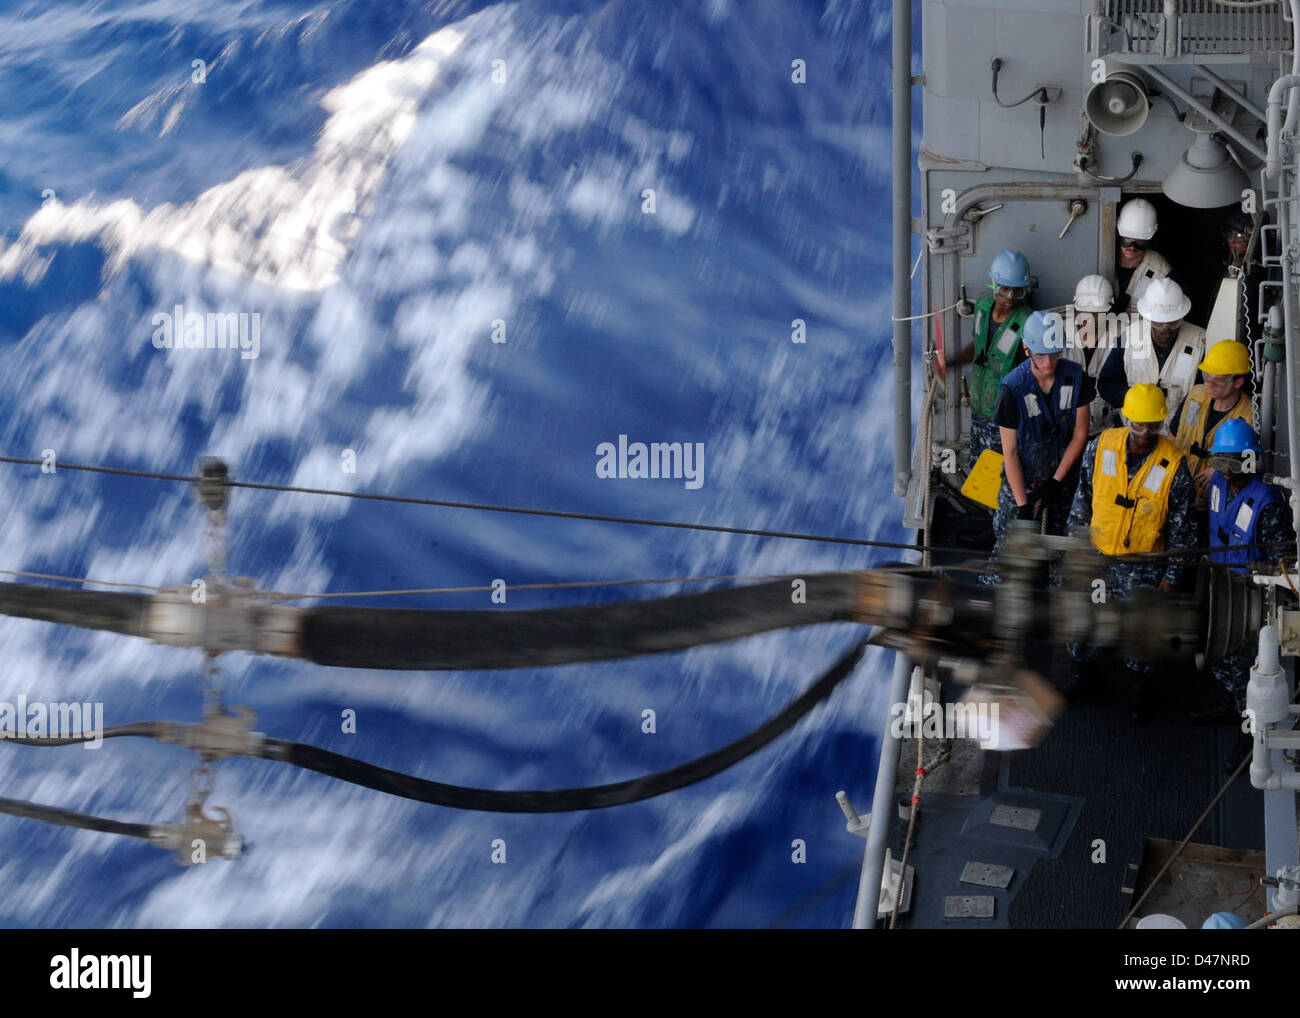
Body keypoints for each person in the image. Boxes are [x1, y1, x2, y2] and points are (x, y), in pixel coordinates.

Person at [1067, 383, 1196, 722]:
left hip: (1143, 566)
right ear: (1125, 418)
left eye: (1151, 425)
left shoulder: (1174, 467)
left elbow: (1183, 530)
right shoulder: (1100, 447)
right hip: (1097, 558)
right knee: (1086, 621)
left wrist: (1170, 579)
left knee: (1143, 634)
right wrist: (1075, 548)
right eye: (1137, 424)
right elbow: (1081, 500)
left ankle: (1142, 689)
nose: (1144, 432)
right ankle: (1086, 676)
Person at [1194, 421, 1292, 769]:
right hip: (1220, 590)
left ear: (1251, 461)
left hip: (1249, 606)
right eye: (1221, 462)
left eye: (1234, 463)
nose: (1226, 471)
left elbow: (1281, 566)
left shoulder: (1269, 503)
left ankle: (1249, 734)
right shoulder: (1219, 481)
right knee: (1221, 661)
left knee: (1246, 674)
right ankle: (1228, 705)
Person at [988, 311, 1091, 551]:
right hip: (1023, 482)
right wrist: (1023, 506)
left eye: (1054, 355)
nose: (1048, 363)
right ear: (1027, 350)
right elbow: (1010, 453)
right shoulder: (1012, 390)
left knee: (1062, 547)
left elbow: (1080, 433)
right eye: (1041, 355)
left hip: (1063, 481)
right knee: (1010, 548)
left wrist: (1056, 482)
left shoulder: (1075, 377)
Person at [936, 249, 1033, 464]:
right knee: (978, 473)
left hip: (1006, 419)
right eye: (1004, 289)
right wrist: (950, 364)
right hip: (980, 408)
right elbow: (980, 348)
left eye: (1017, 292)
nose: (1009, 298)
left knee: (999, 480)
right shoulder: (982, 308)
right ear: (993, 283)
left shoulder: (1029, 323)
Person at [1098, 278, 1206, 429]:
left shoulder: (1201, 342)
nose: (1166, 330)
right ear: (1148, 318)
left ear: (1182, 317)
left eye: (1173, 322)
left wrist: (1177, 430)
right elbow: (1106, 384)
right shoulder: (1129, 336)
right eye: (1159, 322)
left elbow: (1206, 396)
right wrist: (1135, 398)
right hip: (1134, 431)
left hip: (1179, 436)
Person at [1169, 340, 1254, 510]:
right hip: (1177, 492)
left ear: (1238, 382)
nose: (1210, 384)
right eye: (1207, 376)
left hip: (1214, 503)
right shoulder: (1195, 395)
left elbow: (1254, 463)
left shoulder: (1249, 416)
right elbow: (1172, 437)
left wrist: (1219, 471)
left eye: (1219, 380)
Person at [1060, 274, 1122, 435]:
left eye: (1097, 314)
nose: (1090, 319)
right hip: (1067, 428)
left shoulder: (1122, 336)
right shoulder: (1061, 333)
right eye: (1085, 312)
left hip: (1106, 428)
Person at [1113, 198, 1172, 313]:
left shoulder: (1161, 269)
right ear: (1119, 235)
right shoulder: (1102, 257)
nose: (1132, 247)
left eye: (1140, 241)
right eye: (1127, 238)